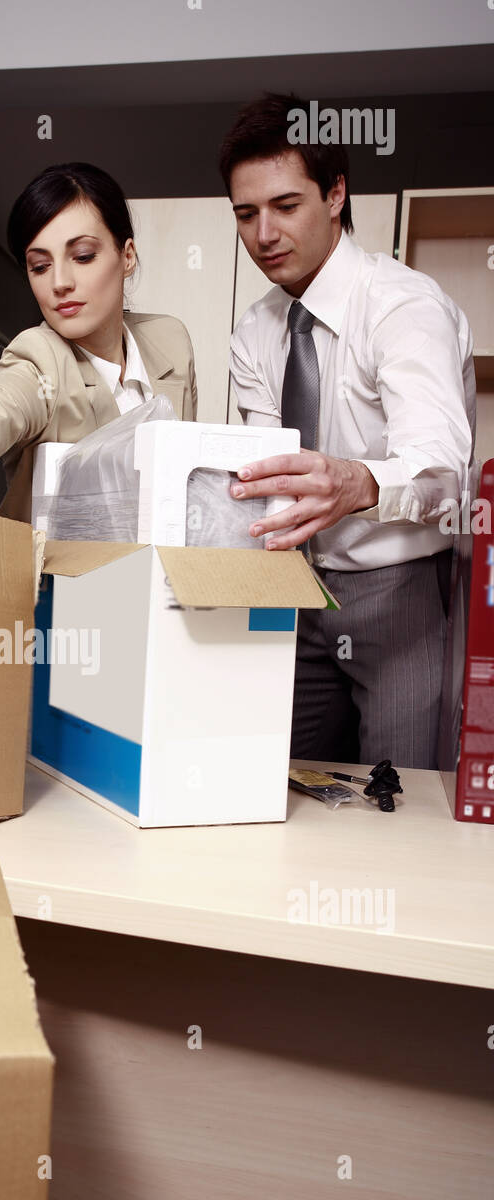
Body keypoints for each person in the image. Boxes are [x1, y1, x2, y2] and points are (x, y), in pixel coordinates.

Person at [219, 93, 476, 770]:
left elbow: (445, 473)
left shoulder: (402, 307)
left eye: (285, 206)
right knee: (273, 780)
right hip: (293, 589)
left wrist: (359, 483)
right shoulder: (254, 331)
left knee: (399, 795)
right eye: (246, 214)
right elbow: (266, 476)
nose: (264, 234)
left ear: (336, 194)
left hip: (400, 591)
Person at [0, 162, 197, 521]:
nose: (60, 282)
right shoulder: (39, 363)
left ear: (127, 256)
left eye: (82, 256)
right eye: (39, 266)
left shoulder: (170, 340)